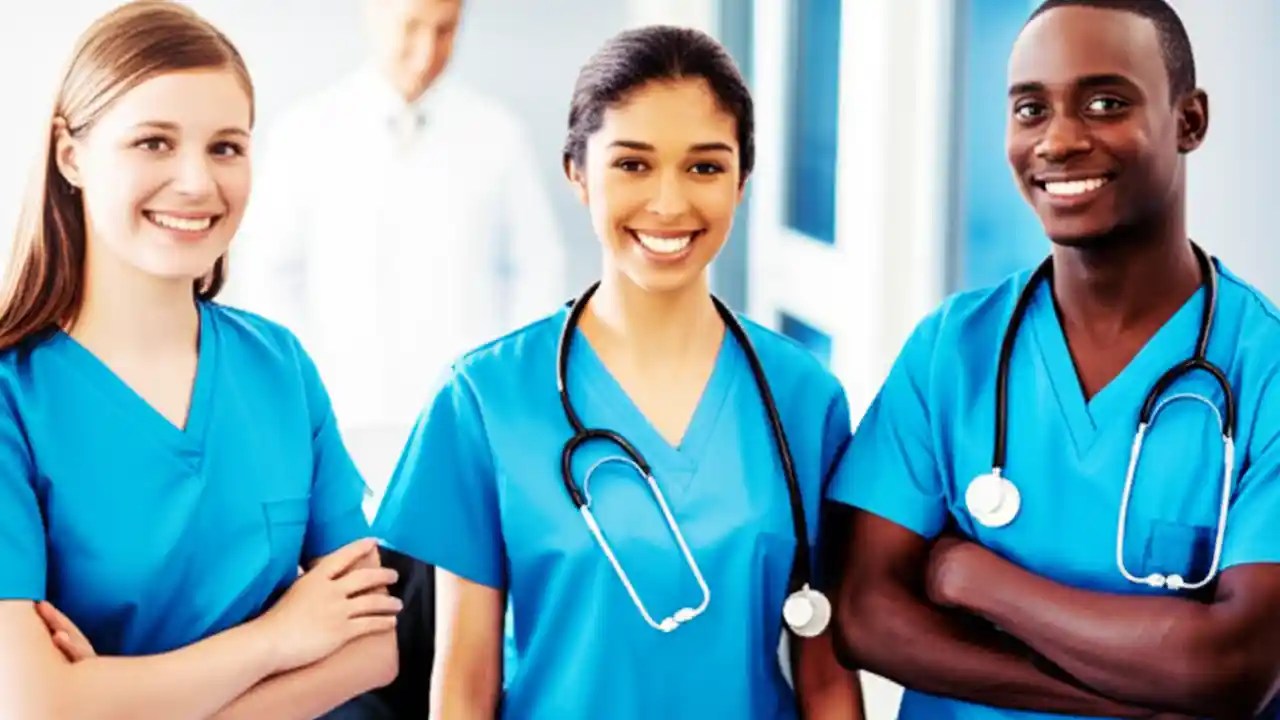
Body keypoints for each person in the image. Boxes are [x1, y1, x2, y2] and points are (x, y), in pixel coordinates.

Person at [372, 25, 864, 719]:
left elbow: (827, 677)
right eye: (633, 165)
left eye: (704, 167)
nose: (669, 204)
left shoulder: (804, 399)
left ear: (743, 181)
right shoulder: (485, 400)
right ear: (577, 173)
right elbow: (462, 685)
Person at [829, 1, 1280, 718]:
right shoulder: (953, 350)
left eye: (1105, 103)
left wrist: (973, 579)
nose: (1059, 141)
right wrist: (1118, 705)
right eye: (1031, 109)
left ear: (1189, 121)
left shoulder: (1264, 371)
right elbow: (862, 613)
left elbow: (1229, 665)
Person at [0, 3, 402, 718]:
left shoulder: (279, 366)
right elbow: (39, 704)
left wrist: (124, 699)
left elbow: (373, 649)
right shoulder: (14, 399)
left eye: (225, 147)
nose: (196, 183)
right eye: (154, 142)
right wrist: (280, 638)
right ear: (72, 155)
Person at [227, 0, 566, 514]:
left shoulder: (498, 135)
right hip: (342, 413)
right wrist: (309, 387)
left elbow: (539, 270)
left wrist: (502, 389)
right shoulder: (306, 132)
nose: (426, 52)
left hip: (464, 418)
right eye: (411, 29)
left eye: (446, 31)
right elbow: (269, 273)